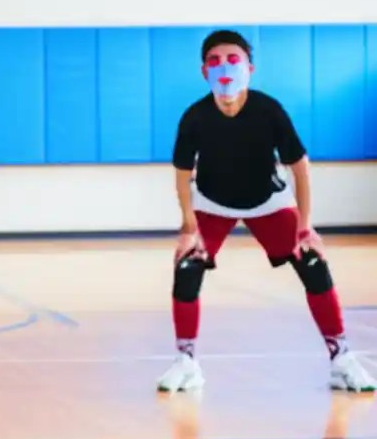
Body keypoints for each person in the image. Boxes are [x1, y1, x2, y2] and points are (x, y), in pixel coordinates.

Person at [158, 29, 374, 393]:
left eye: (233, 60)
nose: (224, 67)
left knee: (312, 264)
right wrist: (188, 227)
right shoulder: (194, 117)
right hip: (212, 203)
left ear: (249, 69)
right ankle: (187, 361)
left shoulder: (268, 110)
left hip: (269, 203)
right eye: (215, 61)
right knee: (187, 268)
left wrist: (305, 227)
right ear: (203, 71)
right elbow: (182, 176)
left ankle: (341, 359)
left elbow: (300, 168)